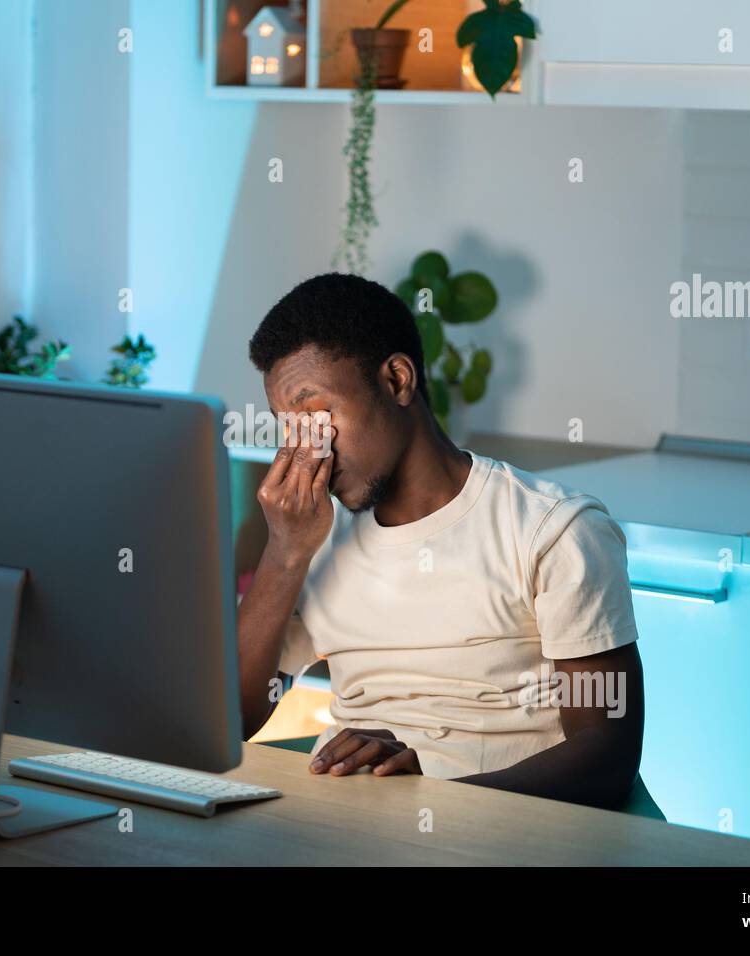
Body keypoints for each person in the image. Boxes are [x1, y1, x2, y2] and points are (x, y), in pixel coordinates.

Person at [238, 272, 644, 810]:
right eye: (288, 428)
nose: (308, 450)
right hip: (347, 830)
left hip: (497, 836)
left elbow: (606, 756)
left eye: (316, 417)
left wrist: (431, 805)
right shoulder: (313, 542)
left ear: (397, 380)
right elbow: (228, 720)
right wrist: (284, 553)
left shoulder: (554, 530)